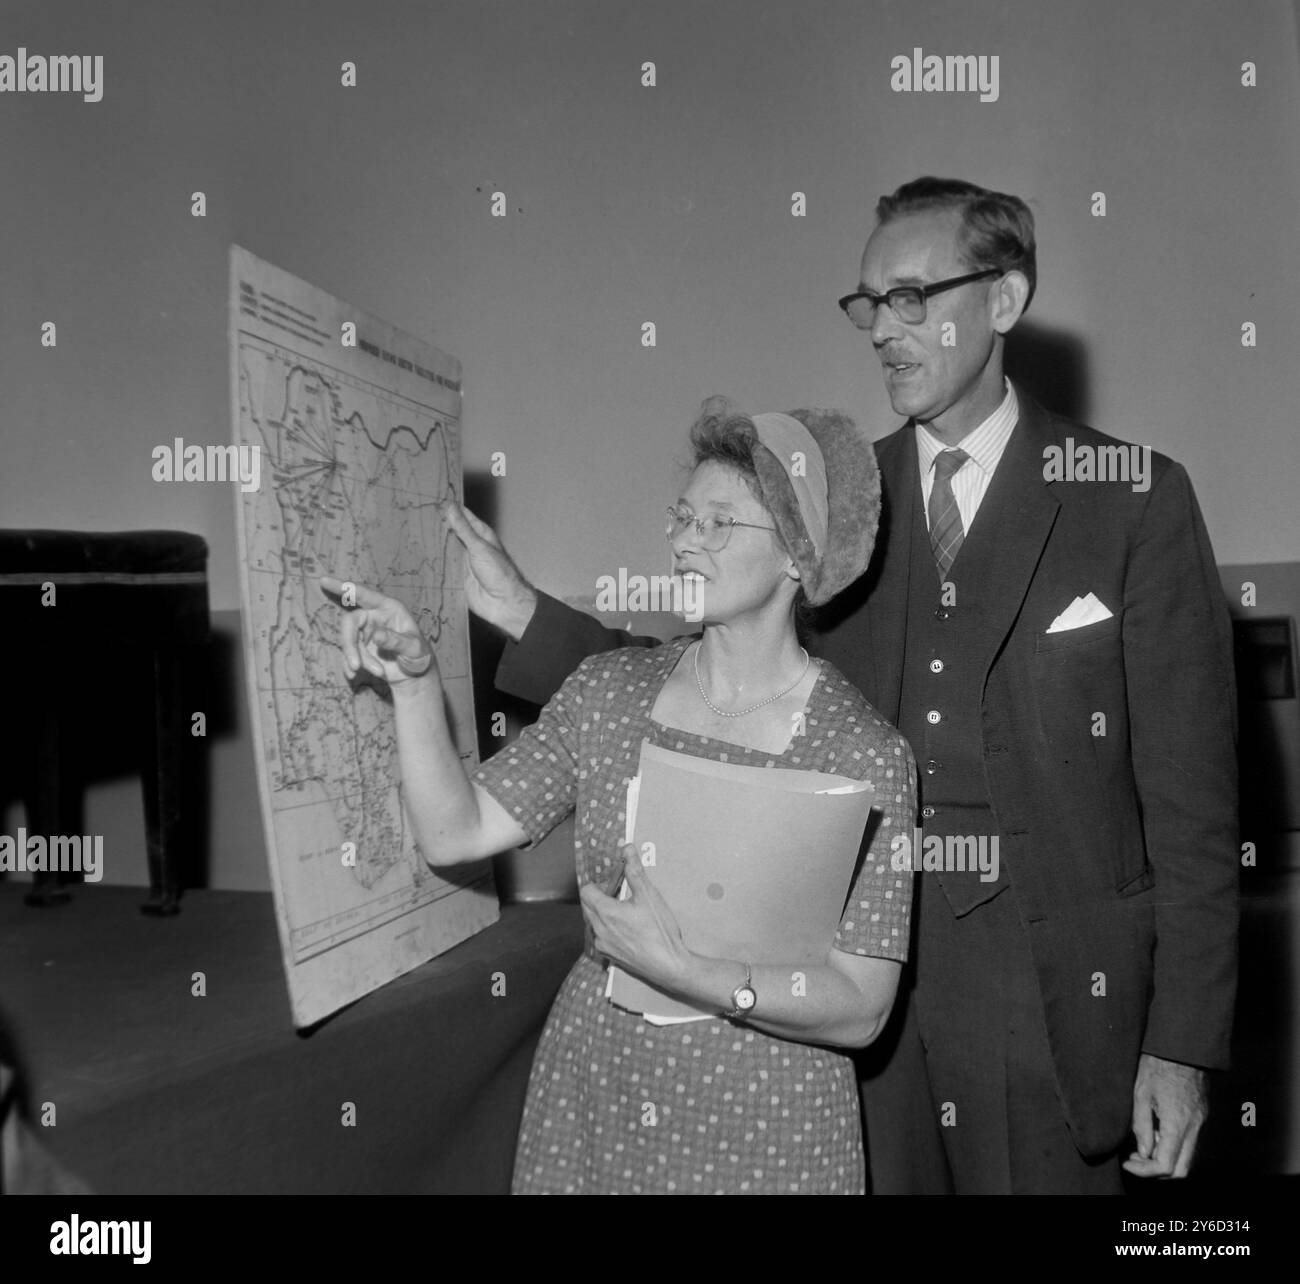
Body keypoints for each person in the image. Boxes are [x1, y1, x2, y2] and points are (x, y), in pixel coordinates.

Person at [447, 177, 1240, 1195]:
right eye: (870, 304)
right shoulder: (834, 505)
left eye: (913, 297)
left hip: (1049, 995)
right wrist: (522, 613)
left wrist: (1180, 1044)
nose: (884, 330)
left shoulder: (1132, 499)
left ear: (1003, 300)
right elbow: (692, 680)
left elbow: (1193, 811)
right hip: (851, 979)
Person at [322, 398, 916, 1194]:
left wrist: (698, 974)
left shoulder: (864, 752)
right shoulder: (608, 693)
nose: (682, 541)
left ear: (798, 561)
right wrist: (415, 683)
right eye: (682, 517)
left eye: (719, 523)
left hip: (769, 1116)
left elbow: (863, 1006)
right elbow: (453, 831)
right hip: (600, 1081)